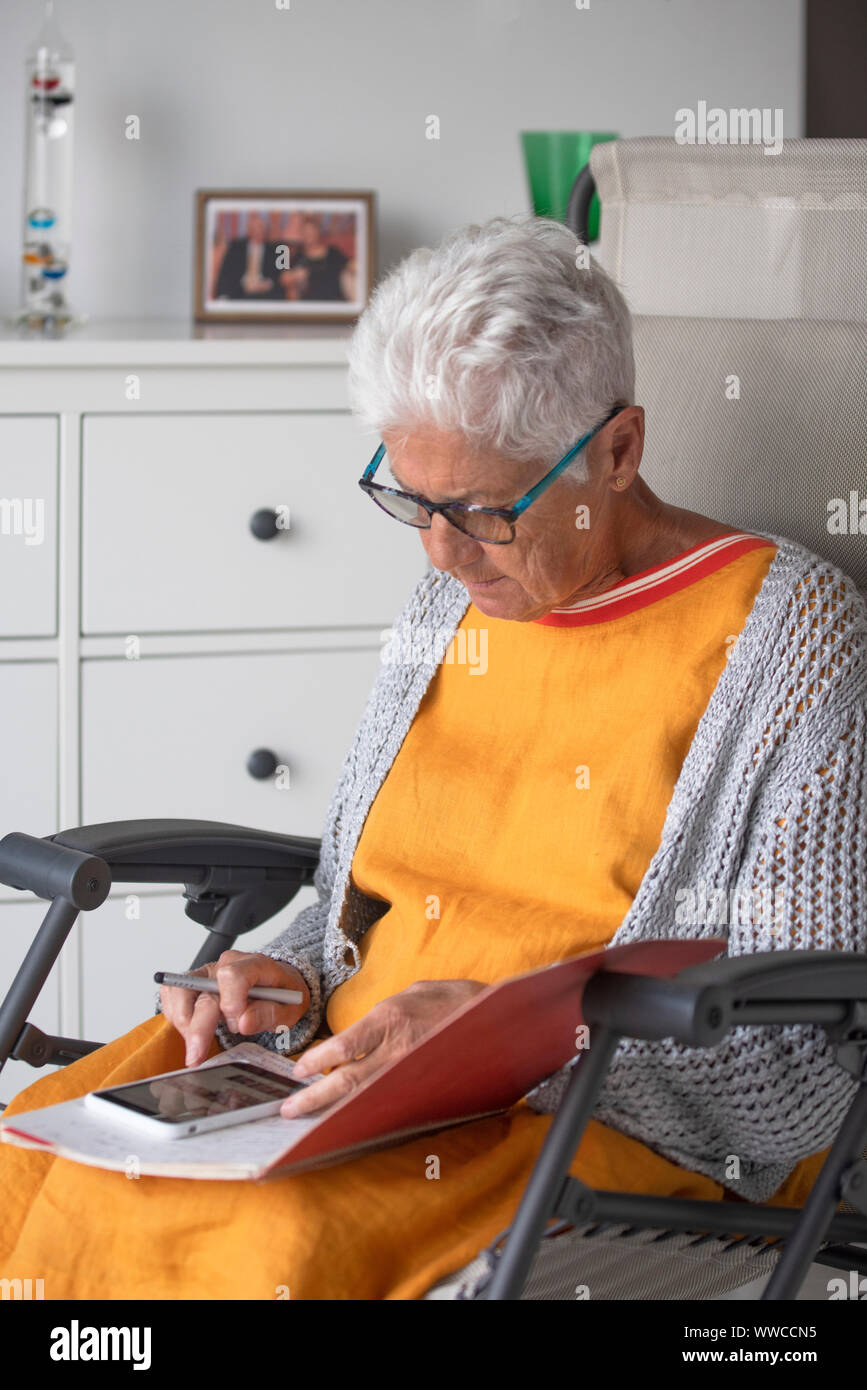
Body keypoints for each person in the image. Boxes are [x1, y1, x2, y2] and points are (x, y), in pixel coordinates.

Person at [2, 215, 865, 1300]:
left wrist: (513, 1041)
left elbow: (805, 1051)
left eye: (483, 511)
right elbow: (359, 899)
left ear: (620, 448)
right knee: (27, 1162)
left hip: (570, 1123)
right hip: (325, 1079)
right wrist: (293, 971)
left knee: (253, 1255)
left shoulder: (791, 636)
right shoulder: (447, 598)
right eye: (411, 500)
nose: (441, 553)